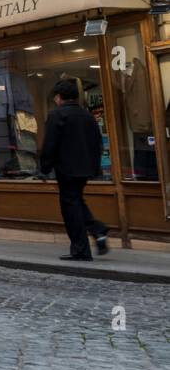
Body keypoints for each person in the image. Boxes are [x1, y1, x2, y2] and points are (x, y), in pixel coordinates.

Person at [39, 79, 108, 261]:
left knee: (70, 207)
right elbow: (98, 143)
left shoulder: (57, 115)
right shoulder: (87, 116)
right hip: (86, 168)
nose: (55, 101)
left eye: (55, 98)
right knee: (76, 200)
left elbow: (50, 144)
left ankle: (80, 249)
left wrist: (44, 167)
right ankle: (97, 230)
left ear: (59, 97)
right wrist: (95, 166)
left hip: (67, 168)